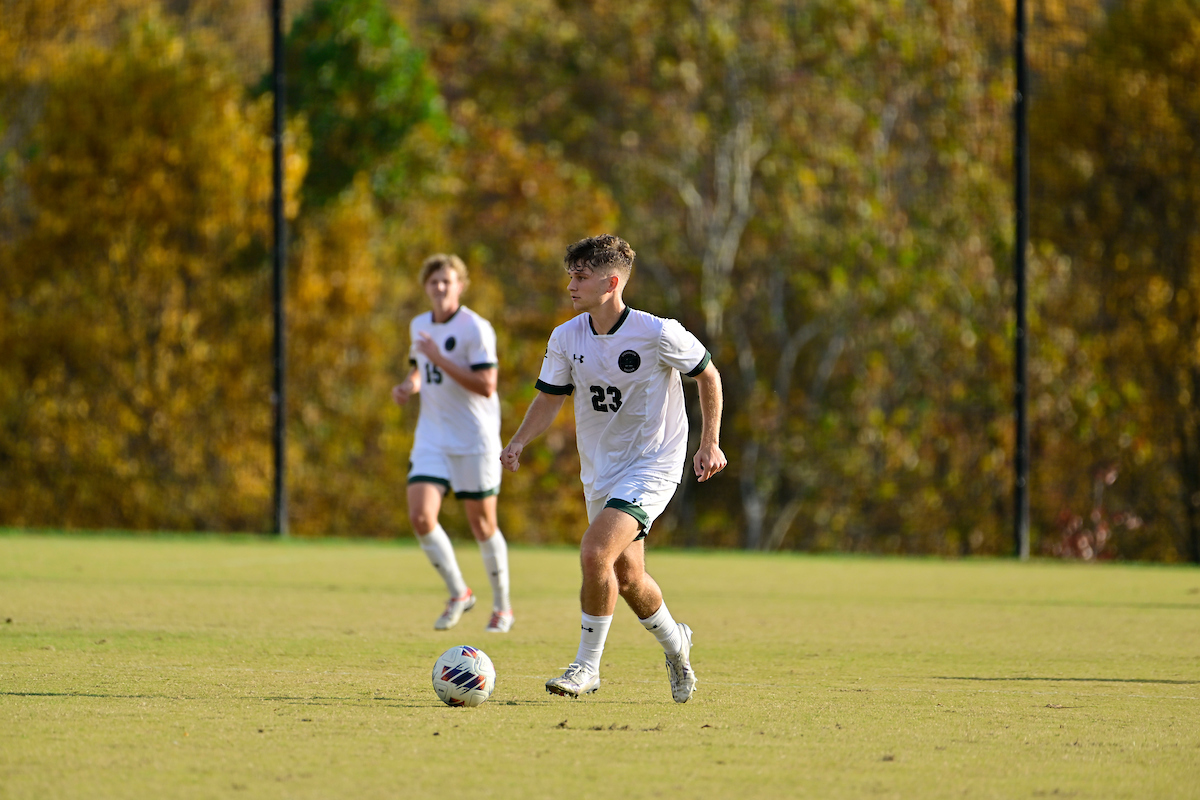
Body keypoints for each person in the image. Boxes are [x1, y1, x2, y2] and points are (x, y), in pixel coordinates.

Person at [500, 234, 726, 703]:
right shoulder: (566, 337)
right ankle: (676, 643)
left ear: (612, 281)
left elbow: (708, 374)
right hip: (601, 471)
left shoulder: (658, 332)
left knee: (593, 553)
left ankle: (586, 668)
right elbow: (549, 398)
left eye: (581, 277)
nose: (571, 285)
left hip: (653, 464)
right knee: (628, 580)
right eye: (570, 276)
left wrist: (710, 443)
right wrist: (520, 439)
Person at [392, 254, 513, 633]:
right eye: (434, 282)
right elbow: (419, 368)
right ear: (425, 287)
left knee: (482, 524)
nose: (440, 288)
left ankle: (503, 607)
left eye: (447, 281)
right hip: (432, 436)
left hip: (473, 438)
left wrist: (439, 359)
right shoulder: (419, 325)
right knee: (421, 516)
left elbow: (486, 384)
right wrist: (409, 386)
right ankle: (459, 592)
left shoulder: (475, 327)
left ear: (460, 286)